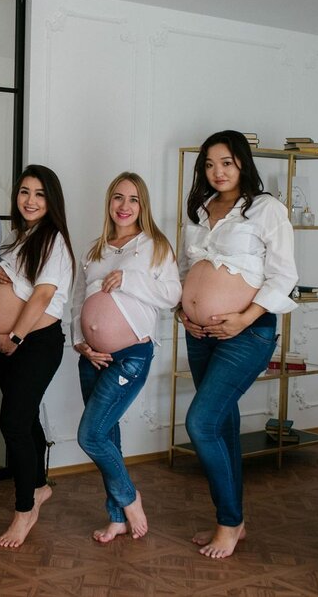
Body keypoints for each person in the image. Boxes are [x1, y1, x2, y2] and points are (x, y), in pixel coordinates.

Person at [176, 130, 297, 559]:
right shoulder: (200, 209)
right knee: (221, 424)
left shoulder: (266, 209)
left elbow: (284, 277)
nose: (218, 172)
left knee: (201, 423)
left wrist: (244, 317)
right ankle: (232, 518)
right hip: (200, 335)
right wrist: (182, 310)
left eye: (226, 162)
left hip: (247, 334)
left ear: (242, 163)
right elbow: (185, 269)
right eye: (209, 164)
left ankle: (230, 522)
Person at [71, 172, 181, 544]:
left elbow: (172, 295)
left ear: (143, 205)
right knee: (108, 436)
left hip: (130, 355)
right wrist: (79, 341)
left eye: (132, 199)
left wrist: (129, 281)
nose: (124, 206)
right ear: (109, 203)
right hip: (92, 357)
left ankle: (130, 498)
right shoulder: (95, 249)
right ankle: (116, 517)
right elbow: (77, 301)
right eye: (117, 198)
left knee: (90, 434)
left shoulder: (155, 245)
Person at [0, 164, 74, 548]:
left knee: (14, 423)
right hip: (8, 345)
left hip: (34, 343)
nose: (30, 200)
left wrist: (15, 336)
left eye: (38, 193)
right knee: (26, 417)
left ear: (51, 200)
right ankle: (37, 485)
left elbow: (41, 296)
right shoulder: (16, 239)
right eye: (24, 192)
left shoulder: (52, 240)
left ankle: (24, 511)